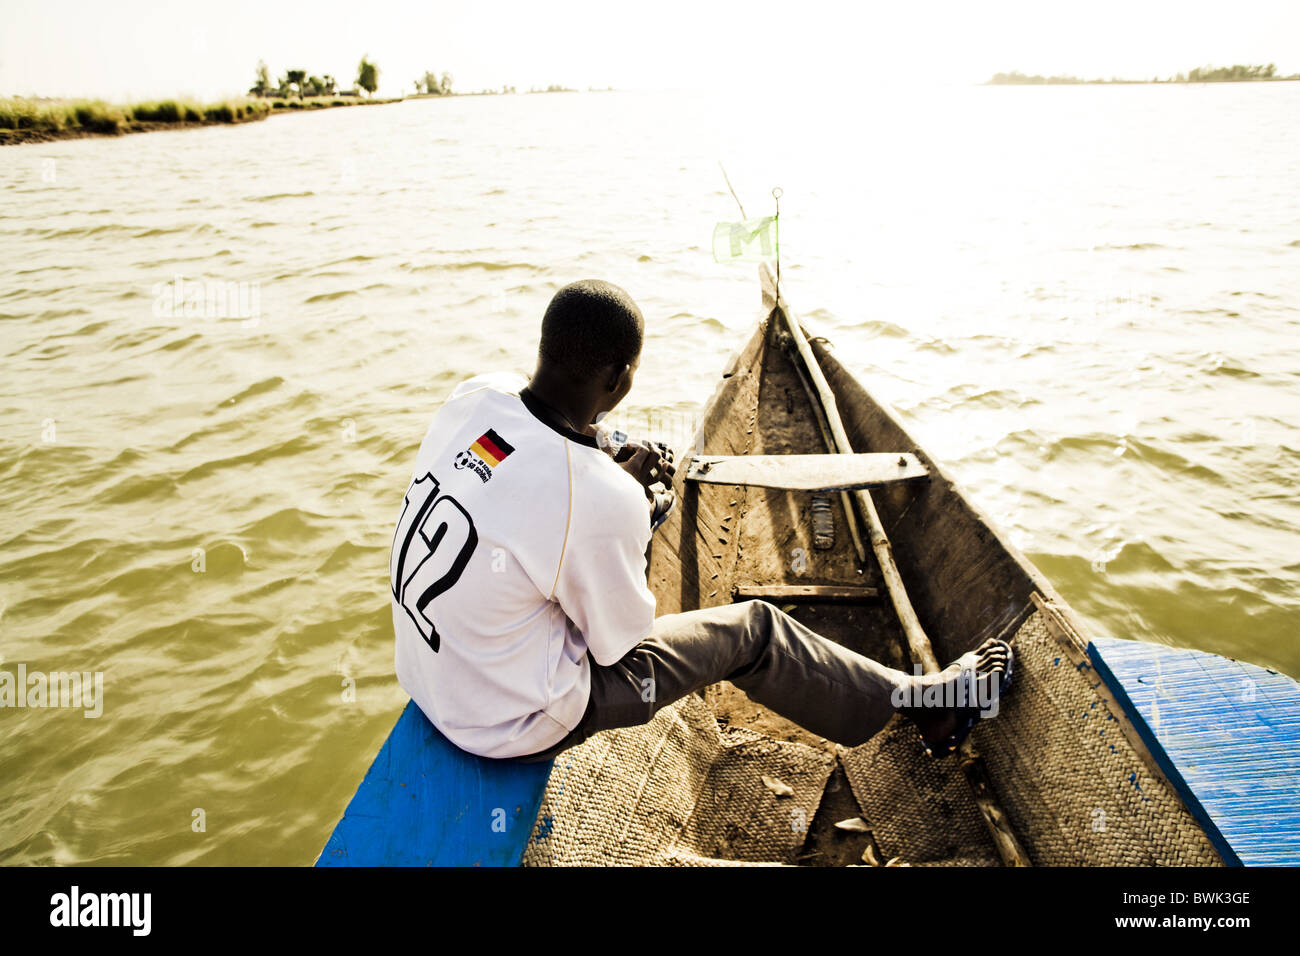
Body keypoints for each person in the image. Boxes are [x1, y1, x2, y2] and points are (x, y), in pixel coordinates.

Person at [392, 279, 1012, 764]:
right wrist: (635, 506)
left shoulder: (477, 398)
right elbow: (621, 648)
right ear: (619, 378)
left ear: (544, 350)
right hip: (507, 725)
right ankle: (927, 705)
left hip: (432, 682)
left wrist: (606, 456)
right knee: (755, 632)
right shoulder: (600, 499)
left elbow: (529, 454)